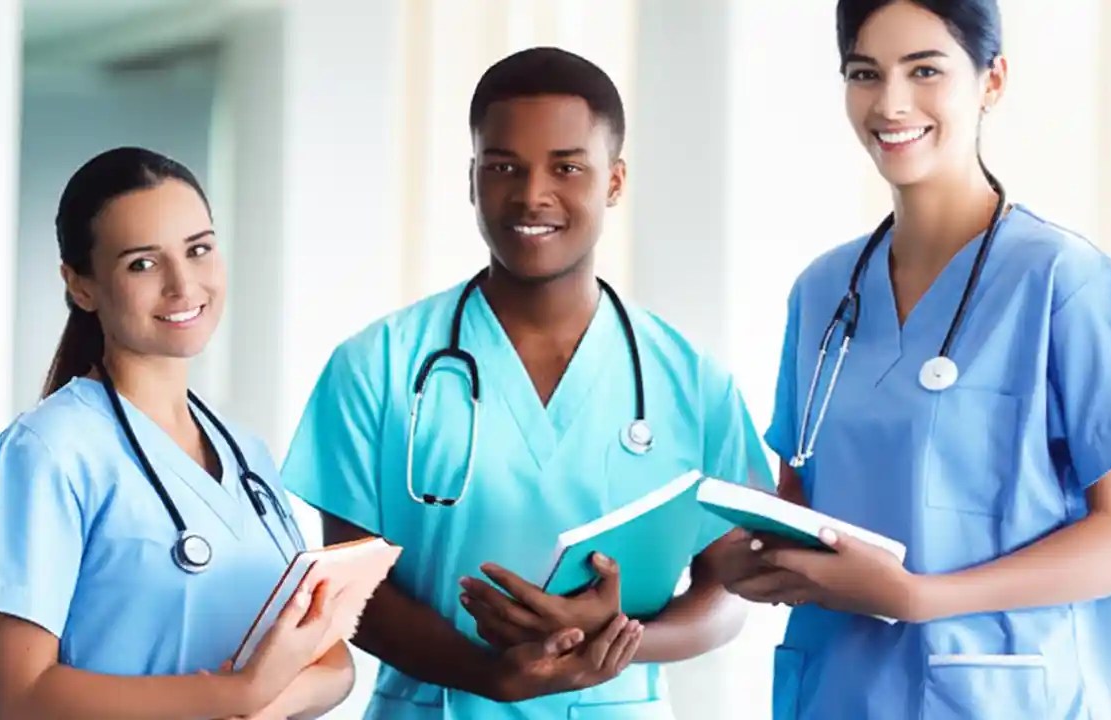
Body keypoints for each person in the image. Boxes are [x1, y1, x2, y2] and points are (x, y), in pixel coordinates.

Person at [720, 1, 1111, 718]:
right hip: (839, 690)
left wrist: (919, 599)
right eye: (865, 73)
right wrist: (747, 559)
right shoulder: (824, 291)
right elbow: (802, 500)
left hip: (997, 693)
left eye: (926, 70)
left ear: (992, 81)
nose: (891, 103)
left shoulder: (1062, 282)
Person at [281, 47, 774, 719]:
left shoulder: (692, 383)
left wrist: (621, 640)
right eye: (504, 167)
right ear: (472, 179)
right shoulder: (377, 366)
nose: (532, 194)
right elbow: (351, 588)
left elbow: (727, 593)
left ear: (615, 180)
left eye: (566, 167)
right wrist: (490, 676)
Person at [0, 147, 355, 720]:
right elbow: (20, 695)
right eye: (142, 264)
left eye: (198, 250)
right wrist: (237, 694)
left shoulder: (244, 452)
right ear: (81, 286)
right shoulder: (49, 452)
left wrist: (261, 703)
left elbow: (332, 661)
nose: (183, 284)